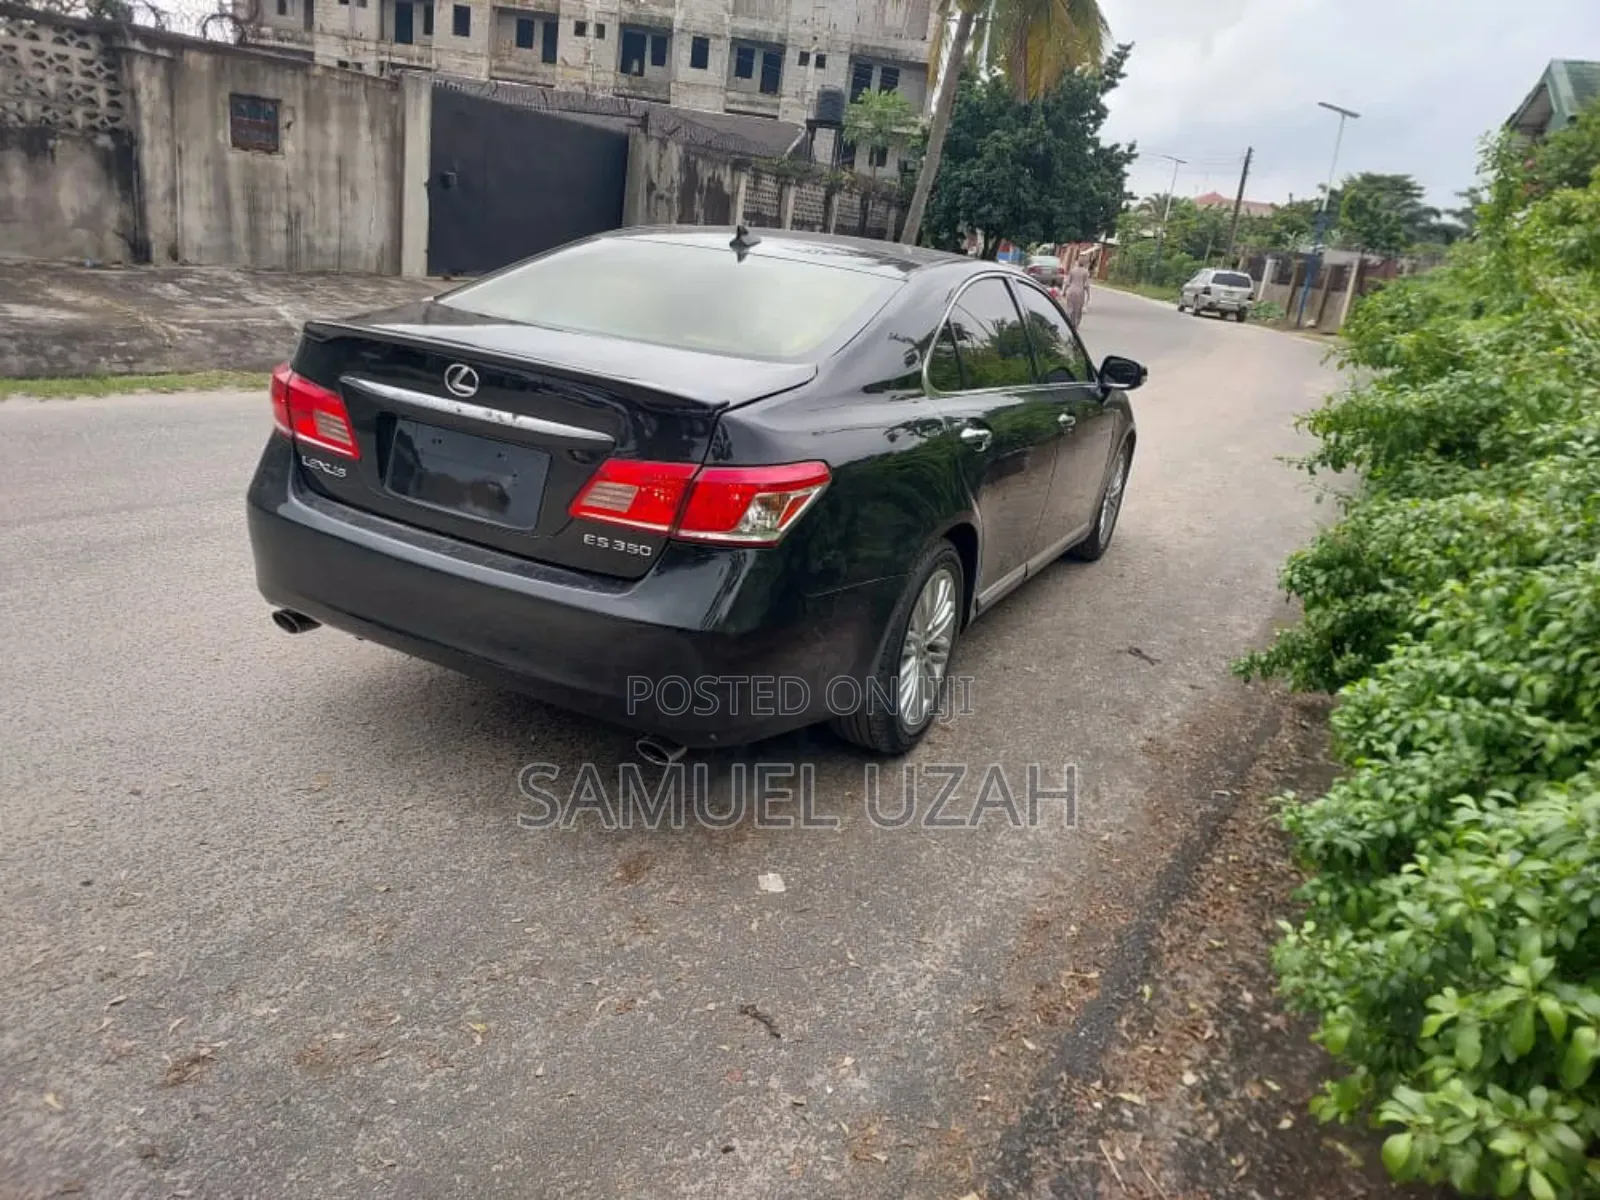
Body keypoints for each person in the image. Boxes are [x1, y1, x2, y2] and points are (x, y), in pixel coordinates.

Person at [1062, 259, 1091, 328]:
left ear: (1077, 263)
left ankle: (1068, 321)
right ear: (1084, 264)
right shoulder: (1086, 272)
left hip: (1071, 291)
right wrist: (1088, 294)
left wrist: (1064, 291)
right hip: (1080, 292)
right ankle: (1075, 323)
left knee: (1070, 307)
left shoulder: (1072, 270)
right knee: (1078, 309)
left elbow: (1067, 282)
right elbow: (1086, 284)